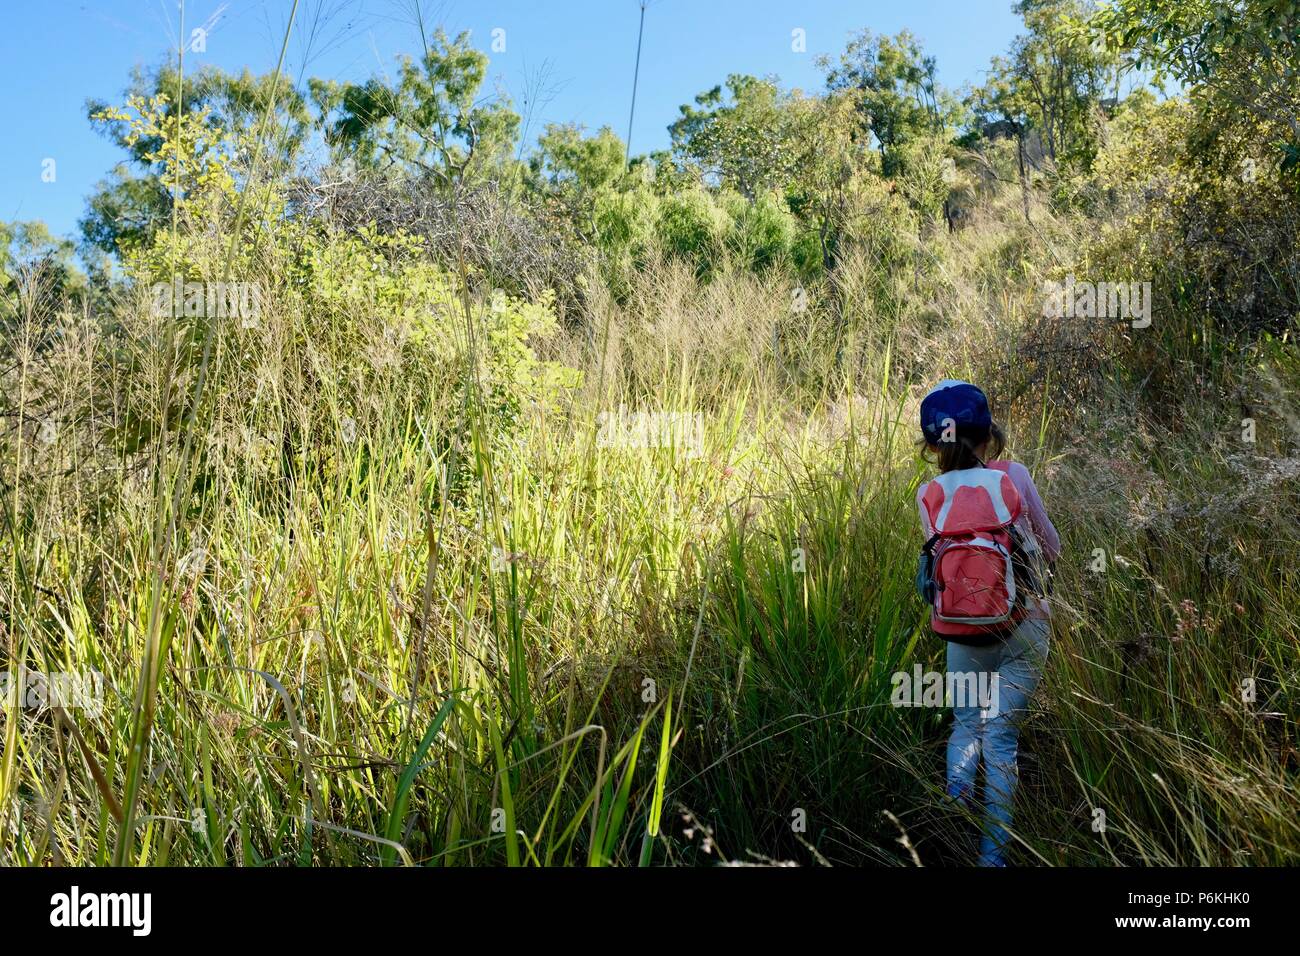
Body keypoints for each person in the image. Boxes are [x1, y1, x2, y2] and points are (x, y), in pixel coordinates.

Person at [915, 379, 1060, 867]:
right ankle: (991, 857)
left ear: (933, 445)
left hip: (960, 628)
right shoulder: (1014, 475)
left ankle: (951, 820)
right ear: (989, 432)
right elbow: (1053, 547)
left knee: (966, 725)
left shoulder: (928, 493)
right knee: (1001, 738)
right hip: (1025, 625)